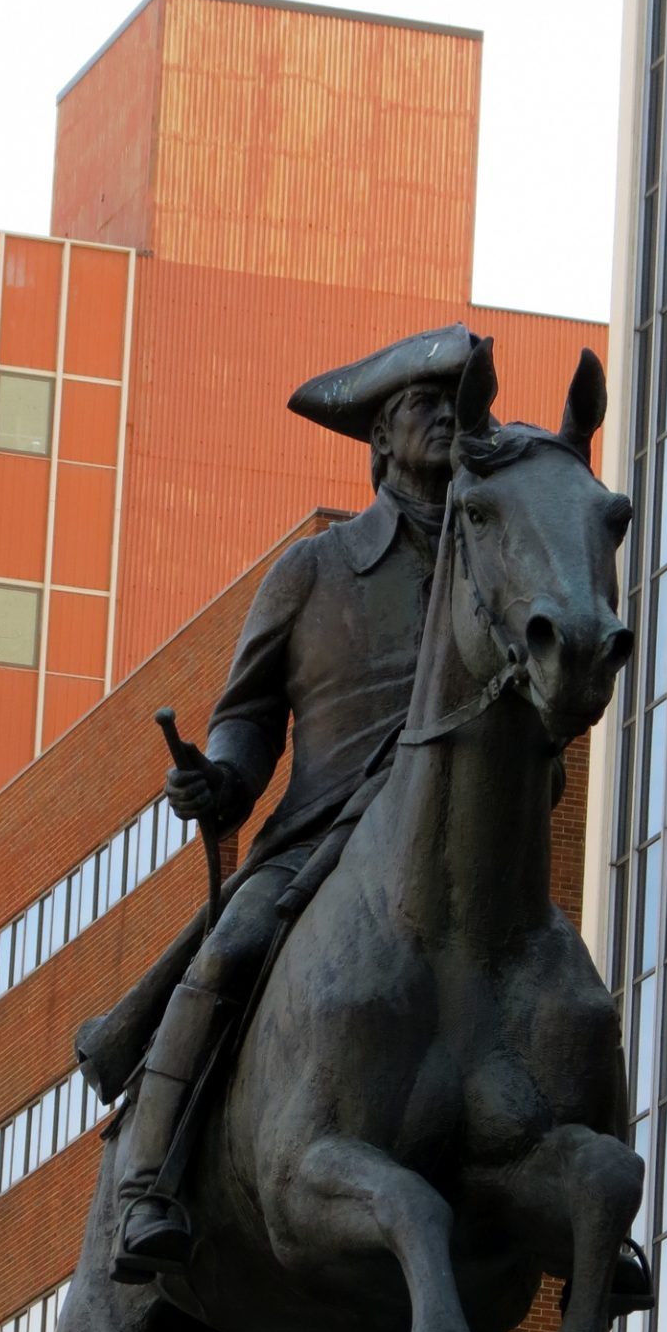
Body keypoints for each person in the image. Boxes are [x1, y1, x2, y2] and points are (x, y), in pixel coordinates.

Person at [110, 323, 483, 1280]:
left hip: (460, 845)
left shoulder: (491, 560)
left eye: (455, 407)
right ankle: (147, 1179)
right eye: (419, 408)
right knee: (234, 945)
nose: (444, 420)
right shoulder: (312, 572)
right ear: (378, 445)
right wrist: (219, 780)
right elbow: (247, 722)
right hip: (321, 840)